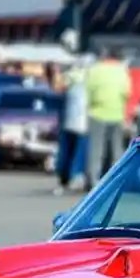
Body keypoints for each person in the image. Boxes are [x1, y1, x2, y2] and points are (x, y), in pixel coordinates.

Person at [85, 53, 131, 189]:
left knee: (96, 149)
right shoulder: (122, 71)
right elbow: (126, 93)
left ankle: (94, 182)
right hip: (117, 113)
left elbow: (89, 91)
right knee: (116, 149)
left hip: (97, 113)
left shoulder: (95, 70)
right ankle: (116, 181)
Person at [55, 62, 90, 195]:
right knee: (79, 152)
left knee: (67, 151)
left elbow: (59, 89)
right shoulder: (89, 78)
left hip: (69, 120)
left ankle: (65, 177)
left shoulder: (70, 77)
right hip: (83, 122)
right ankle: (76, 176)